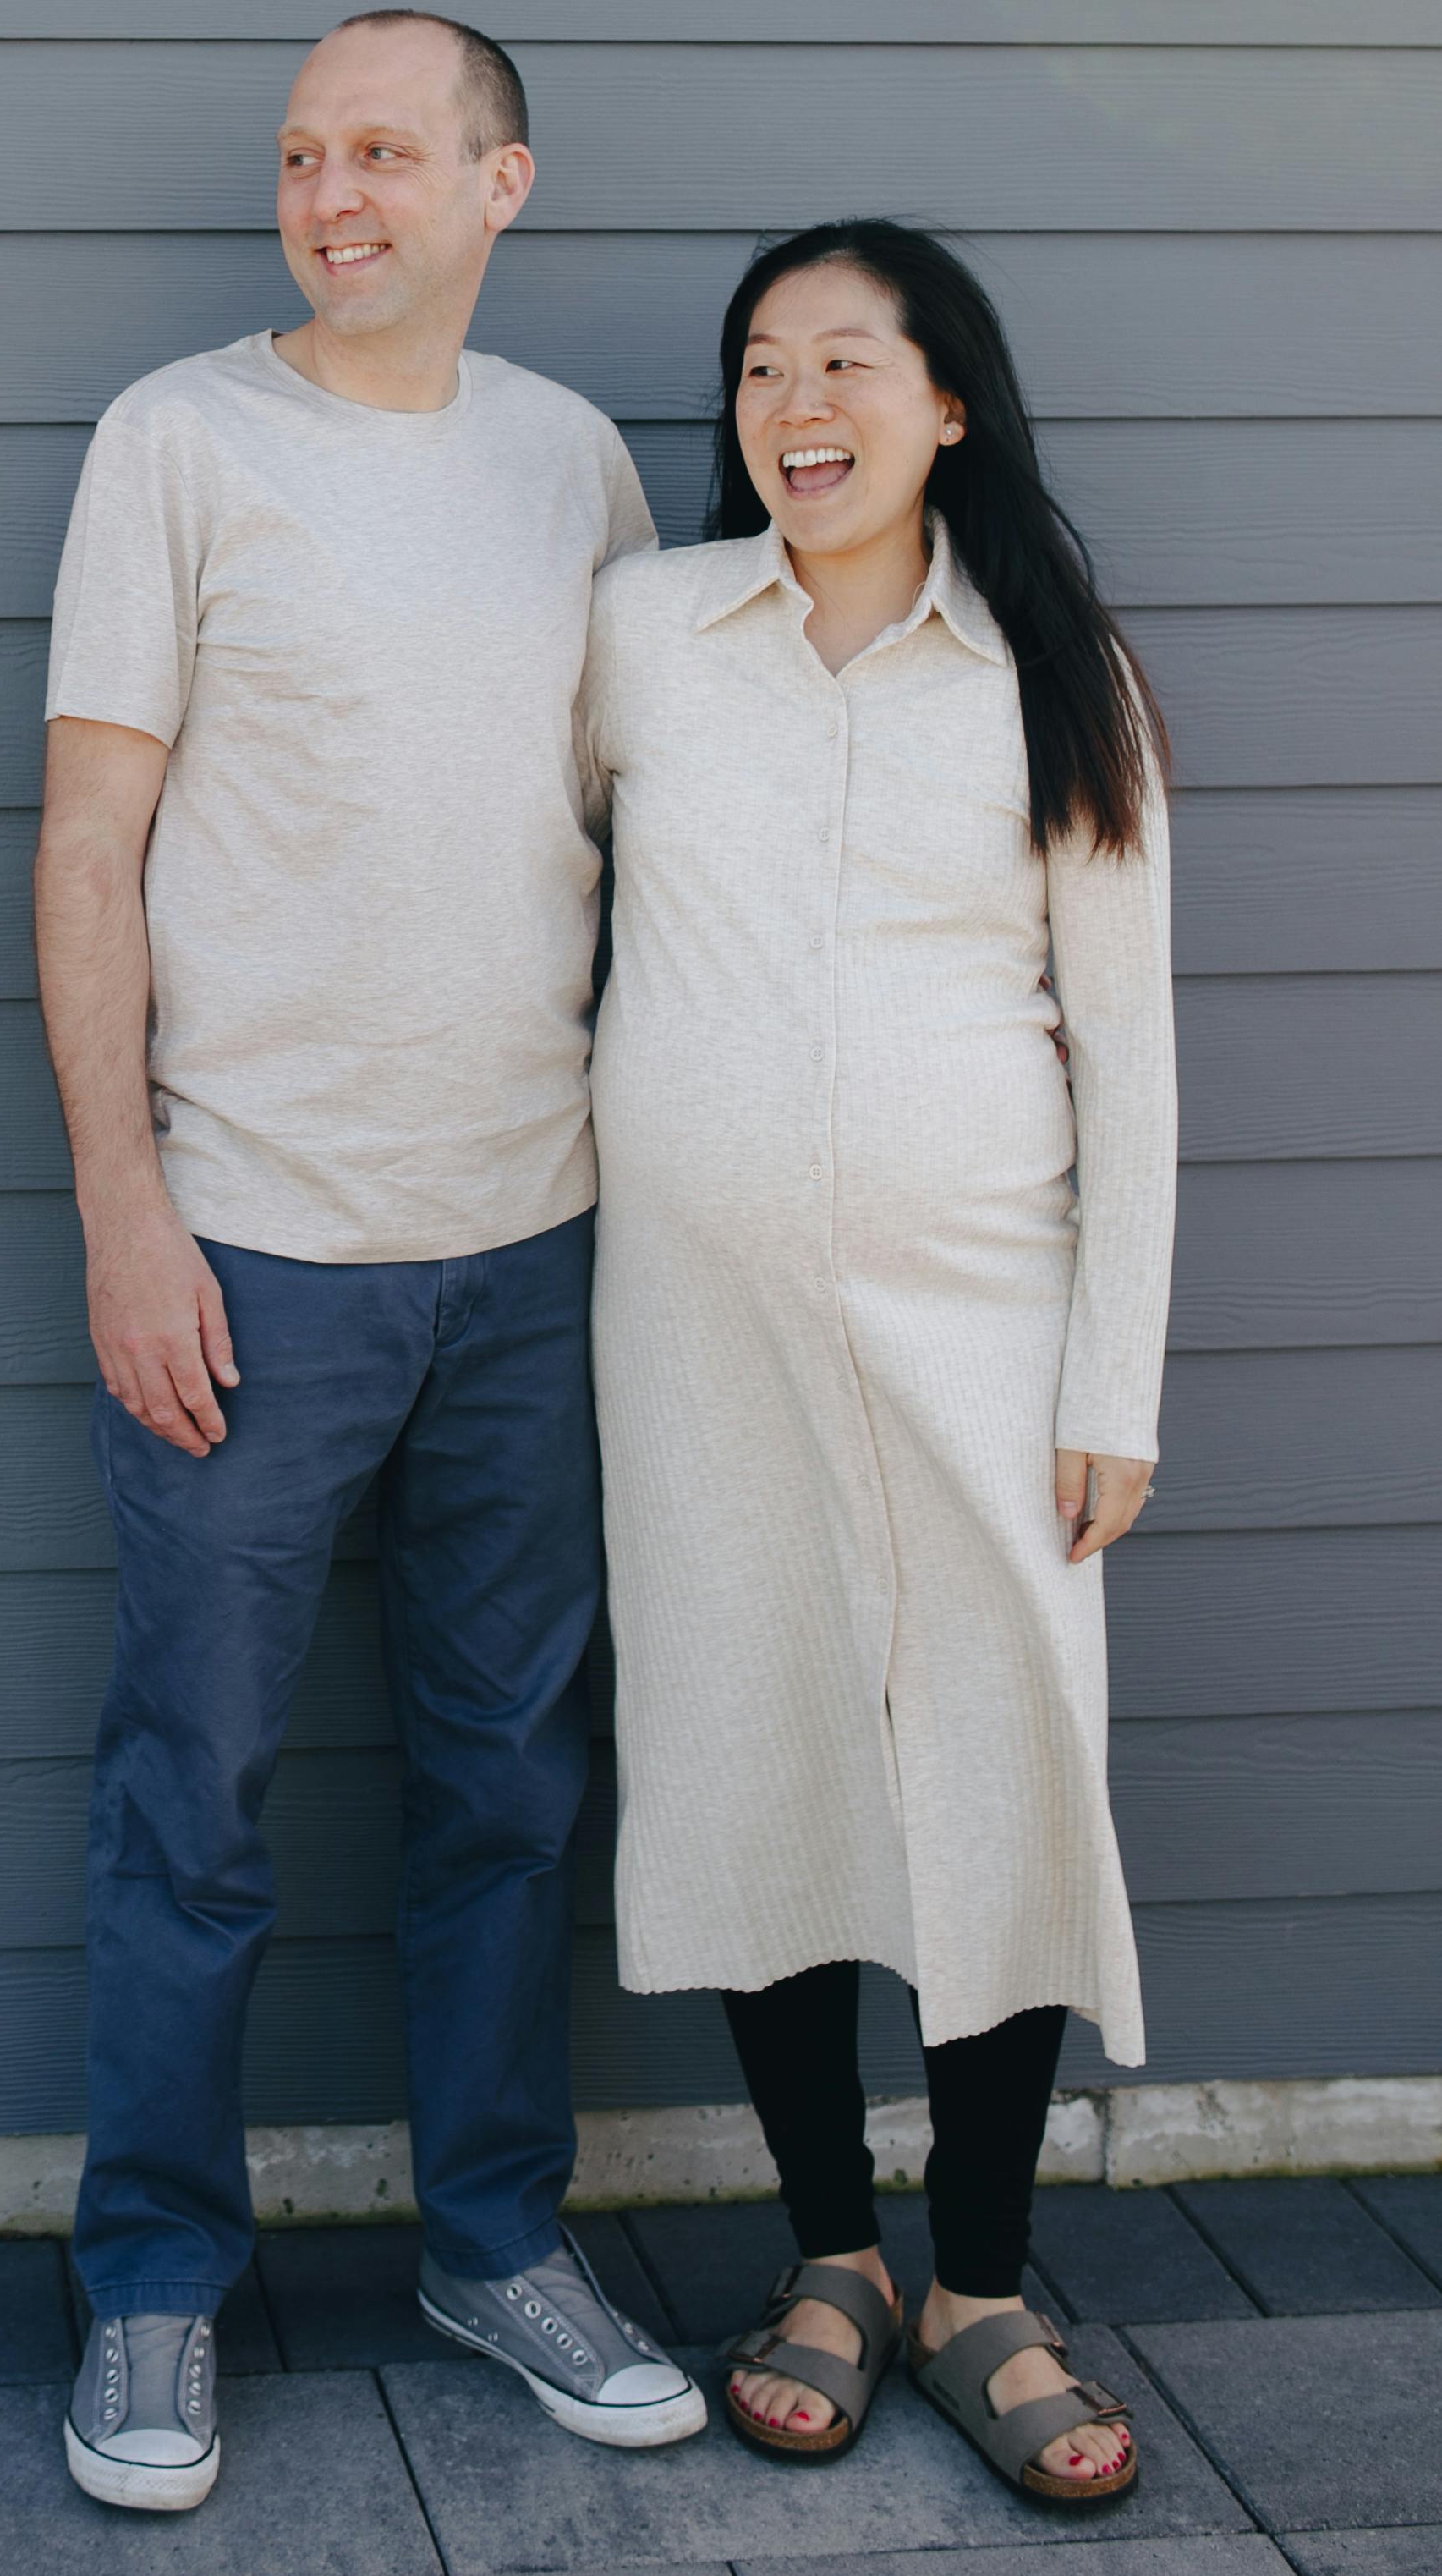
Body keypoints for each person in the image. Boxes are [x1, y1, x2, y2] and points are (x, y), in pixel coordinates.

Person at [36, 8, 705, 2515]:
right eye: (305, 154)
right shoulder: (179, 443)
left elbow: (661, 837)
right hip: (253, 1251)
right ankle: (149, 2292)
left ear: (500, 183)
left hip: (536, 1242)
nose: (334, 193)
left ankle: (495, 2238)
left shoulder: (577, 470)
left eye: (388, 152)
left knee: (506, 1791)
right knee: (188, 1797)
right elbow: (88, 851)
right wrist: (128, 1206)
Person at [583, 220, 1175, 2509]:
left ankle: (987, 2282)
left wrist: (1111, 1377)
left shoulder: (1056, 670)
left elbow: (1126, 1050)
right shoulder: (648, 638)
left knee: (1002, 1768)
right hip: (697, 1335)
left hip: (992, 1330)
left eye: (846, 360)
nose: (795, 403)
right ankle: (829, 2253)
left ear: (947, 408)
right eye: (757, 367)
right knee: (760, 1752)